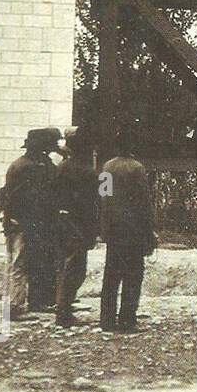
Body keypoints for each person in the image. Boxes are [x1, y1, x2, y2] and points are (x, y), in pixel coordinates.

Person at [0, 128, 61, 318]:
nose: (53, 149)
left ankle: (36, 302)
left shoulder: (36, 164)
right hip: (22, 224)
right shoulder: (26, 167)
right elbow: (15, 198)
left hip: (31, 223)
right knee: (19, 264)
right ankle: (15, 308)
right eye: (50, 146)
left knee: (33, 262)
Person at [99, 127, 155, 332]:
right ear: (132, 145)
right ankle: (127, 320)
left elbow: (103, 198)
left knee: (111, 276)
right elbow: (144, 202)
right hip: (133, 231)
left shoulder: (107, 167)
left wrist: (104, 228)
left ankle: (106, 320)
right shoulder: (137, 168)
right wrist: (150, 229)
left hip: (113, 230)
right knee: (133, 276)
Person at [53, 126, 99, 328]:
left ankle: (62, 307)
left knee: (65, 266)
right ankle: (63, 311)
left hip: (62, 223)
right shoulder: (89, 173)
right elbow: (96, 203)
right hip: (78, 226)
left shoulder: (62, 167)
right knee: (75, 269)